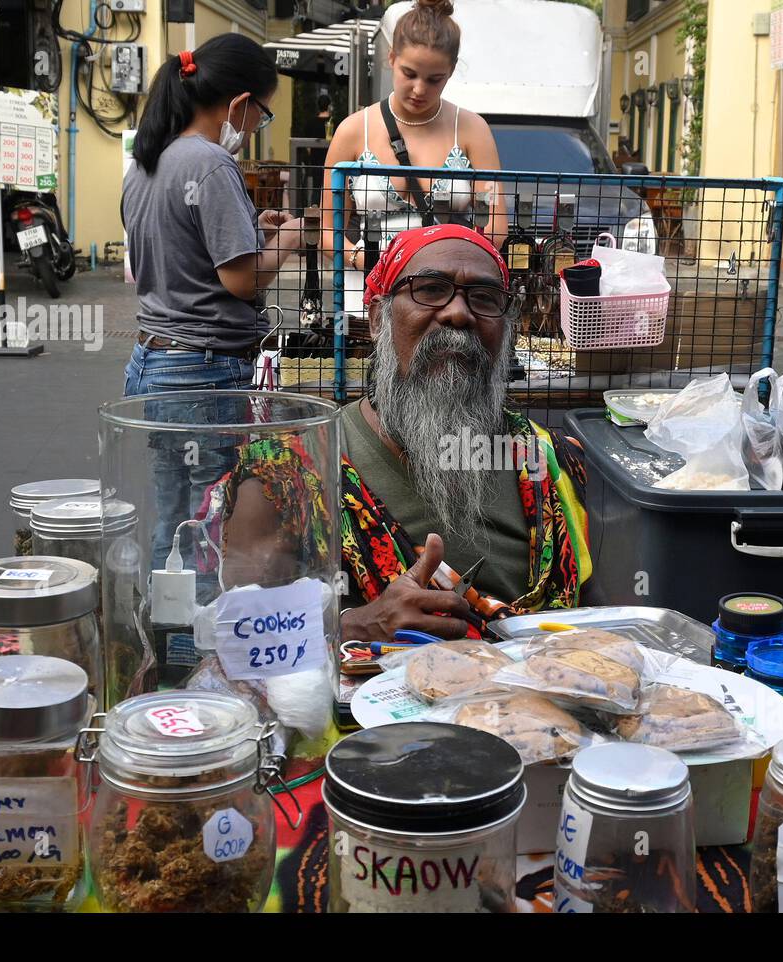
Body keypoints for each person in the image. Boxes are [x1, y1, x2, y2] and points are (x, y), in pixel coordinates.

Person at [222, 225, 592, 642]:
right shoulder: (286, 478)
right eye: (430, 290)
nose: (458, 313)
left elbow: (609, 626)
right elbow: (238, 637)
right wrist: (354, 625)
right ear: (379, 318)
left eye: (484, 299)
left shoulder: (553, 466)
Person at [122, 33, 302, 568]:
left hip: (155, 363)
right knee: (207, 526)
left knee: (173, 519)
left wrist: (251, 227)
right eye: (260, 116)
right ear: (241, 103)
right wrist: (291, 240)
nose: (254, 129)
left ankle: (167, 637)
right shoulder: (212, 165)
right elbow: (241, 282)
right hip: (201, 371)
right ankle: (199, 648)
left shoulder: (148, 161)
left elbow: (184, 253)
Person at [320, 0, 504, 317]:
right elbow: (328, 233)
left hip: (449, 303)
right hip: (368, 299)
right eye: (409, 74)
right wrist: (376, 263)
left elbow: (495, 227)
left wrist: (448, 270)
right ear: (390, 58)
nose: (419, 89)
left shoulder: (473, 131)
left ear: (451, 71)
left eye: (435, 79)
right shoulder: (352, 131)